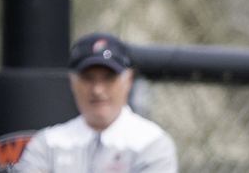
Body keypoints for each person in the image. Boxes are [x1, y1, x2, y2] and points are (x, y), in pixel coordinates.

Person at [14, 33, 178, 173]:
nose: (97, 90)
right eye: (88, 78)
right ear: (72, 82)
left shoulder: (151, 143)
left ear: (128, 80)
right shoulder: (47, 143)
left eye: (108, 78)